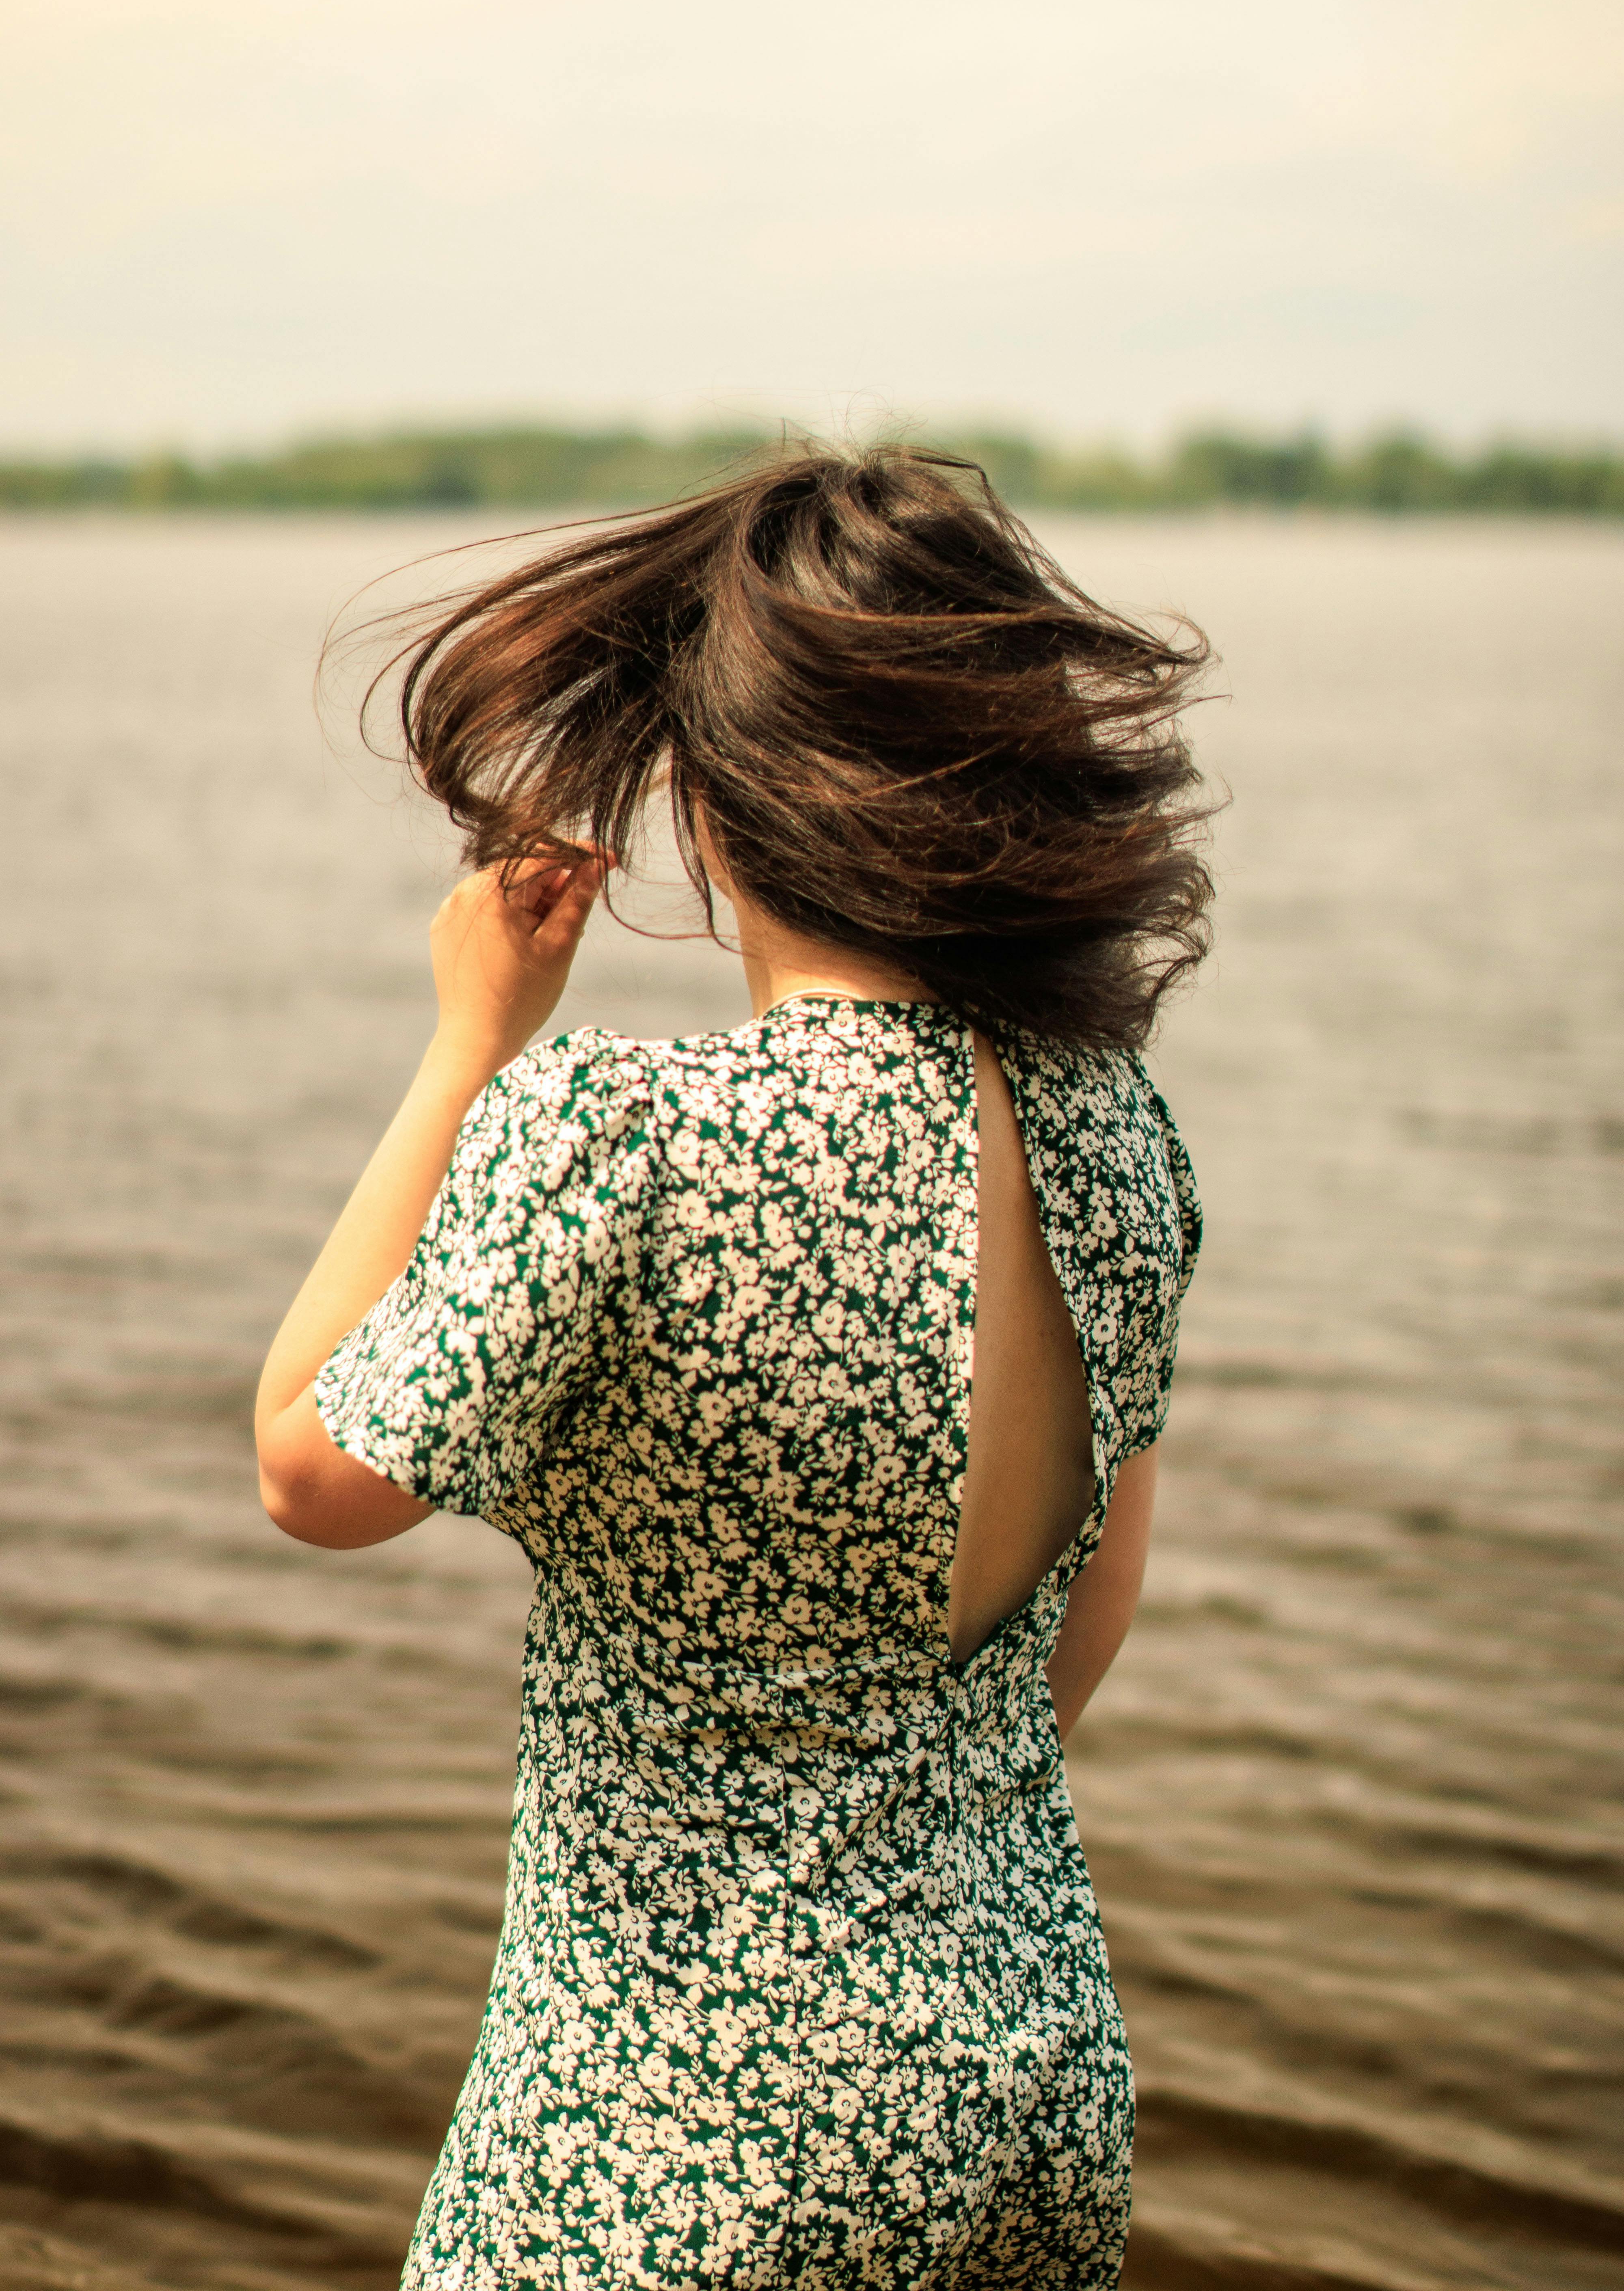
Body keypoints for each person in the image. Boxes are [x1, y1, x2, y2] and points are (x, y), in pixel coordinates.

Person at [255, 446, 1208, 2290]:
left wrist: (470, 1042)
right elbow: (1088, 1615)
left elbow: (310, 1470)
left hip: (675, 2129)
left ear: (718, 794)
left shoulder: (630, 1133)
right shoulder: (1118, 1134)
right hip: (1028, 2076)